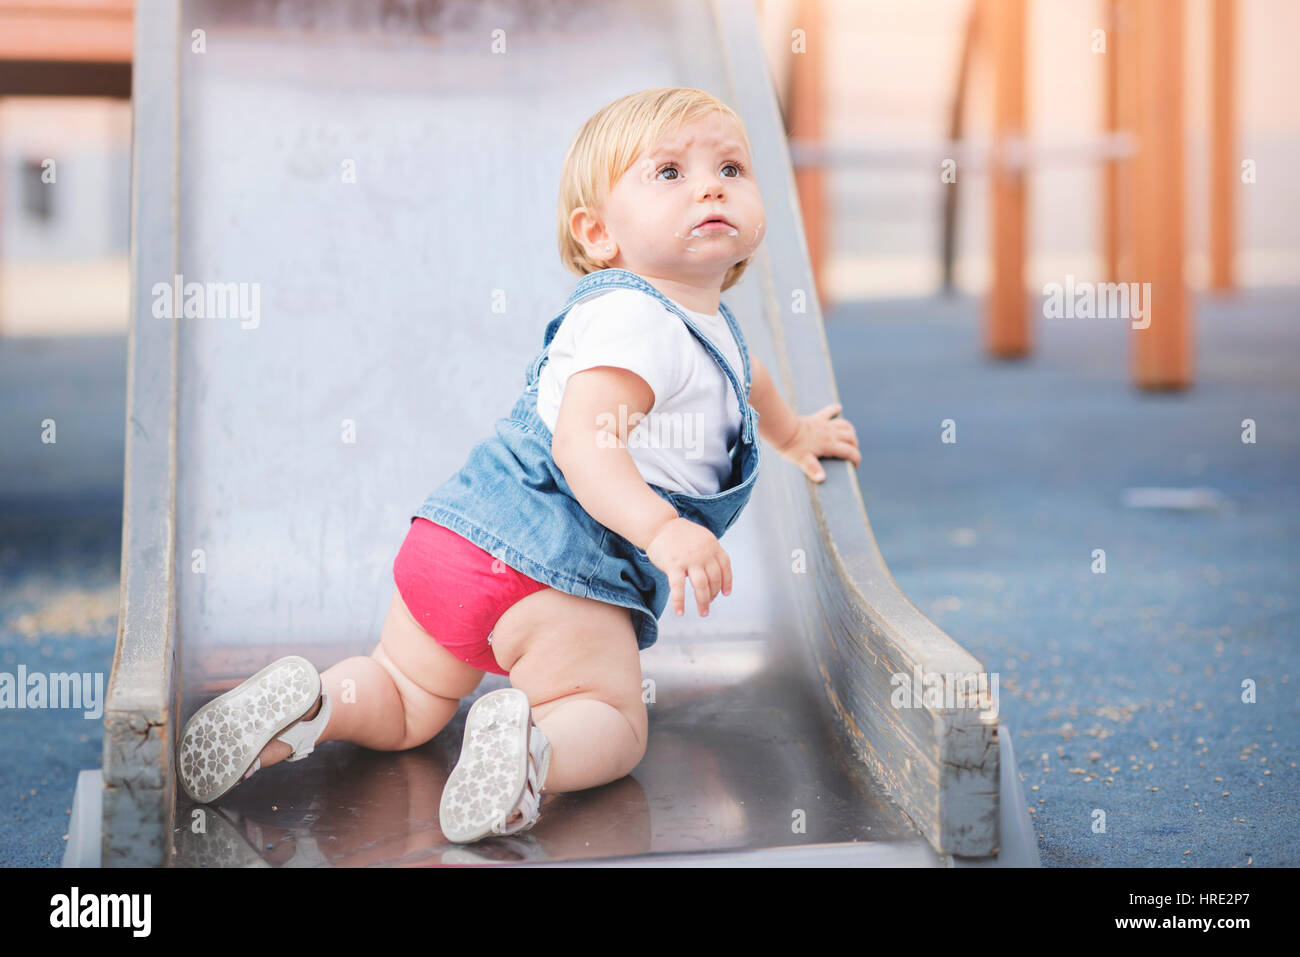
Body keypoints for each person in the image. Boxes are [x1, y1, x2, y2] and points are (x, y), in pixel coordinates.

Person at [176, 86, 861, 844]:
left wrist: (794, 434)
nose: (709, 184)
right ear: (598, 233)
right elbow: (584, 444)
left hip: (453, 544)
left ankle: (314, 706)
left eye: (730, 167)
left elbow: (751, 380)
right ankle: (537, 747)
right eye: (668, 172)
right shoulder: (640, 322)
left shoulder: (706, 332)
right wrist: (663, 531)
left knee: (404, 698)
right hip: (556, 573)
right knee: (612, 722)